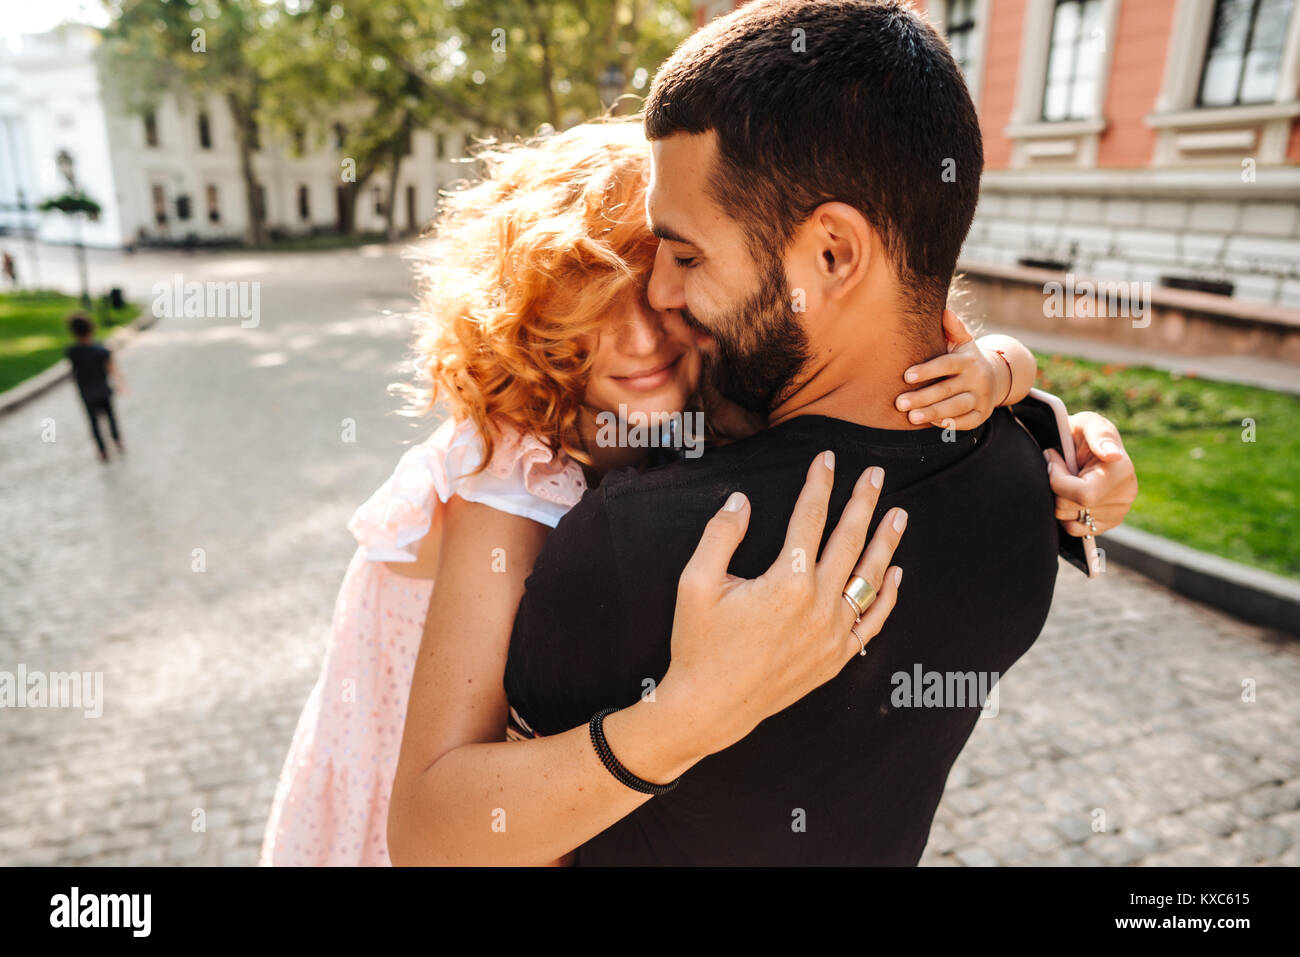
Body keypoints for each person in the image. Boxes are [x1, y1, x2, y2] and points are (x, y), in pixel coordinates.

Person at [260, 120, 1044, 866]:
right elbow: (431, 820)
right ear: (536, 316)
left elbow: (918, 360)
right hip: (417, 760)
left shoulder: (711, 390)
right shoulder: (510, 477)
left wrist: (1016, 385)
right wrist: (686, 715)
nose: (642, 336)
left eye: (670, 279)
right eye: (593, 310)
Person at [494, 0, 1140, 865]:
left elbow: (462, 840)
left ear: (833, 254)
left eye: (686, 256)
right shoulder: (1032, 481)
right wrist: (1020, 388)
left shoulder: (640, 545)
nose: (658, 295)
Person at [65, 313, 124, 463]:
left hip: (86, 392)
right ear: (92, 329)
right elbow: (112, 369)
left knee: (93, 422)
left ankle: (102, 450)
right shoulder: (101, 350)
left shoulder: (72, 352)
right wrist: (120, 384)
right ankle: (117, 440)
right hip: (103, 390)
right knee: (111, 417)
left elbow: (73, 371)